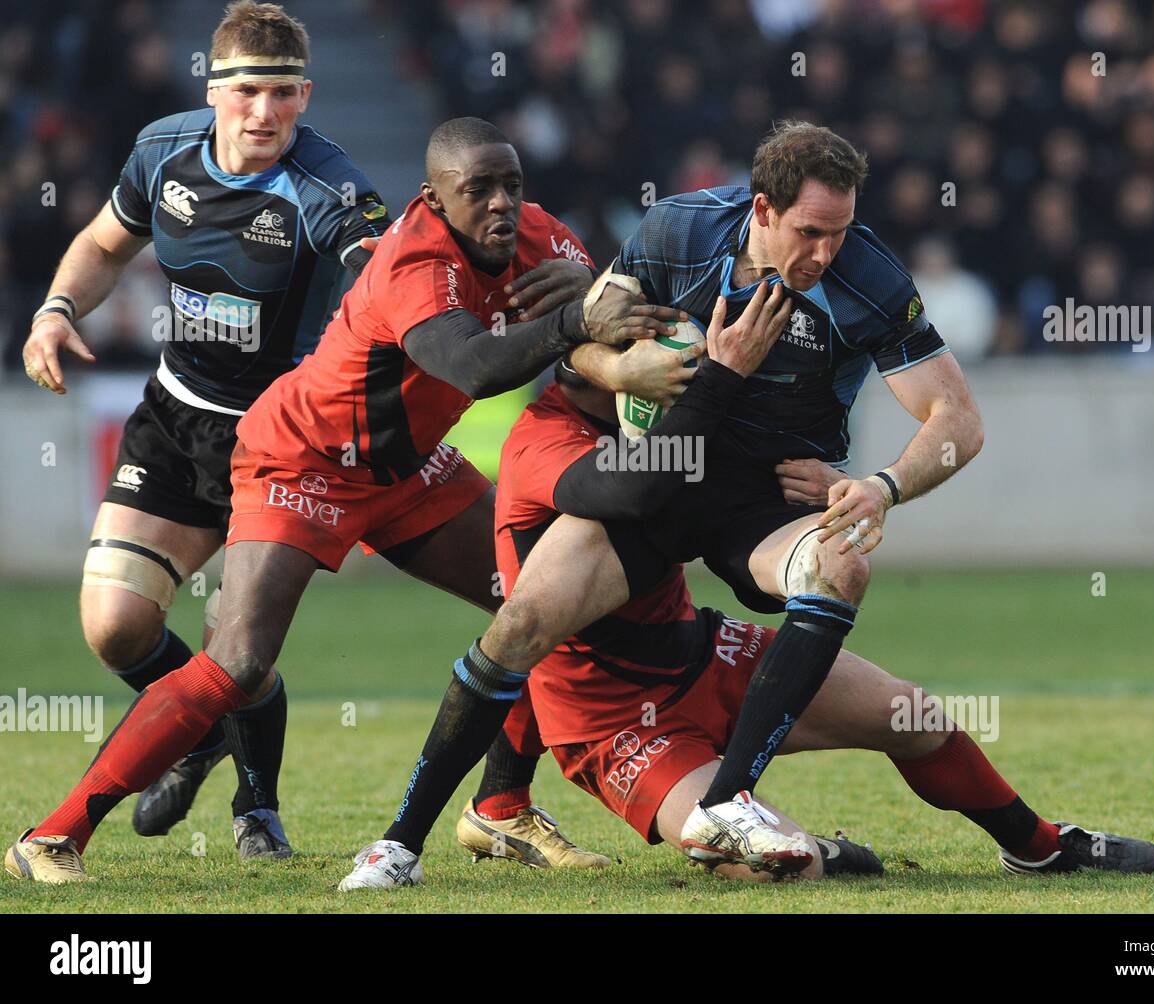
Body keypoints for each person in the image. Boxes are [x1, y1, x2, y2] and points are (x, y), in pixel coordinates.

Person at [5, 117, 669, 883]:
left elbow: (589, 340)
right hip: (304, 456)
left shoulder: (542, 239)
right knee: (239, 662)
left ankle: (500, 809)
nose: (500, 205)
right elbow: (474, 366)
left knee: (548, 606)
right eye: (477, 190)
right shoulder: (411, 259)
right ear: (434, 199)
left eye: (511, 186)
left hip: (409, 468)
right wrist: (578, 316)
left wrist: (595, 307)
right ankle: (50, 838)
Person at [334, 119, 989, 868]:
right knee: (524, 620)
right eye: (811, 232)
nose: (827, 253)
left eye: (840, 232)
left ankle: (720, 803)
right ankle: (403, 841)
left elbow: (957, 421)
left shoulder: (867, 279)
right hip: (645, 472)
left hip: (761, 498)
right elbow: (588, 330)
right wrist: (616, 372)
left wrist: (881, 486)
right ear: (763, 210)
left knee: (840, 569)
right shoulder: (680, 230)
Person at [344, 310, 1154, 885]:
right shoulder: (543, 439)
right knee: (788, 865)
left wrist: (831, 490)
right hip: (609, 715)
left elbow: (741, 538)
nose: (678, 365)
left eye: (682, 353)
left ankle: (1038, 845)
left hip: (703, 652)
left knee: (915, 717)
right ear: (605, 362)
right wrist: (717, 388)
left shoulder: (673, 424)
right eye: (659, 353)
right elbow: (631, 495)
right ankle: (812, 849)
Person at [17, 1, 393, 860]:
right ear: (214, 88)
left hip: (280, 436)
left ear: (307, 93)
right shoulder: (163, 152)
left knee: (239, 647)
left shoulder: (328, 187)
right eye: (250, 91)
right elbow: (107, 245)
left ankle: (256, 812)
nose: (267, 113)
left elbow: (380, 279)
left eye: (286, 93)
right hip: (176, 413)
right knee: (114, 627)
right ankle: (200, 732)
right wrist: (56, 309)